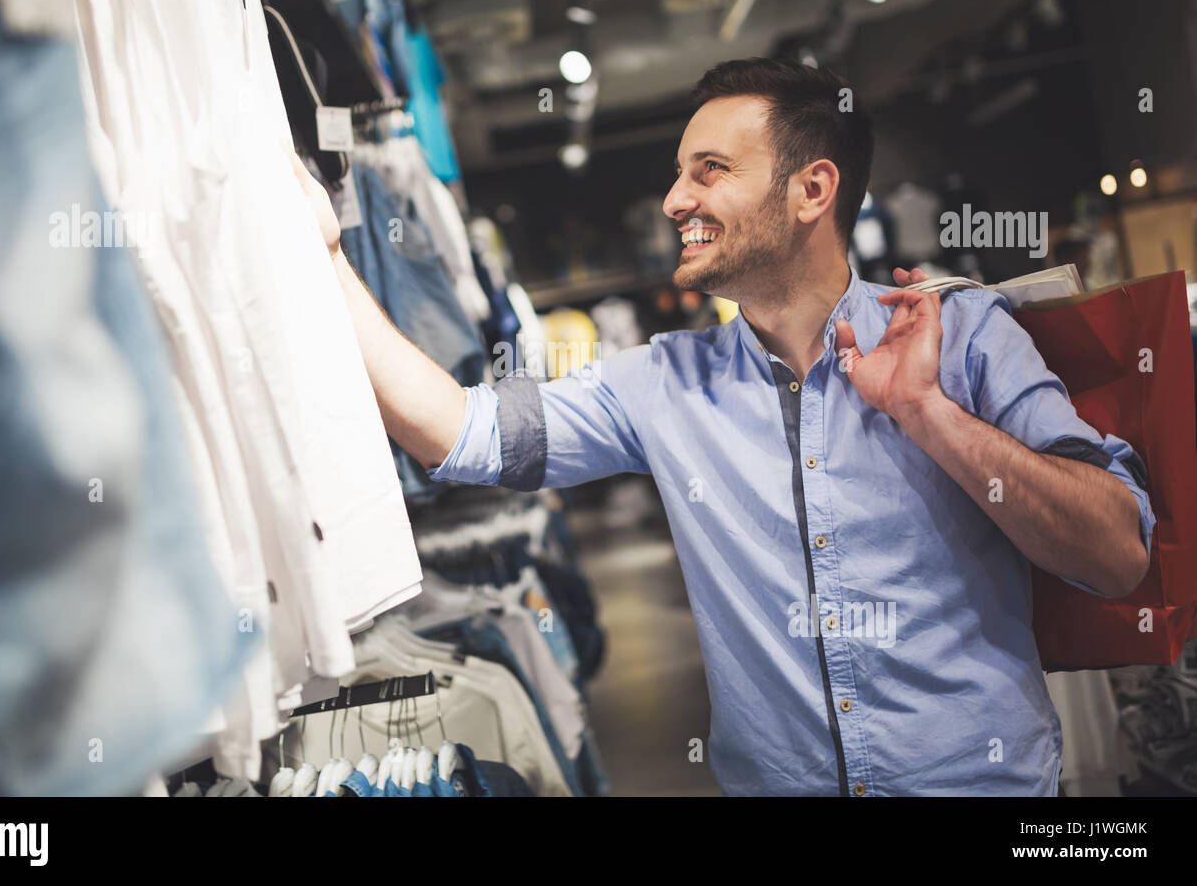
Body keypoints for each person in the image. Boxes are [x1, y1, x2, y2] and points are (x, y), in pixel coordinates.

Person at [289, 57, 1154, 796]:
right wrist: (327, 260)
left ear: (812, 188)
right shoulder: (665, 382)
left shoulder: (967, 340)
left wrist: (928, 414)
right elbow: (464, 434)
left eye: (709, 170)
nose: (673, 199)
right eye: (678, 172)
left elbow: (1116, 554)